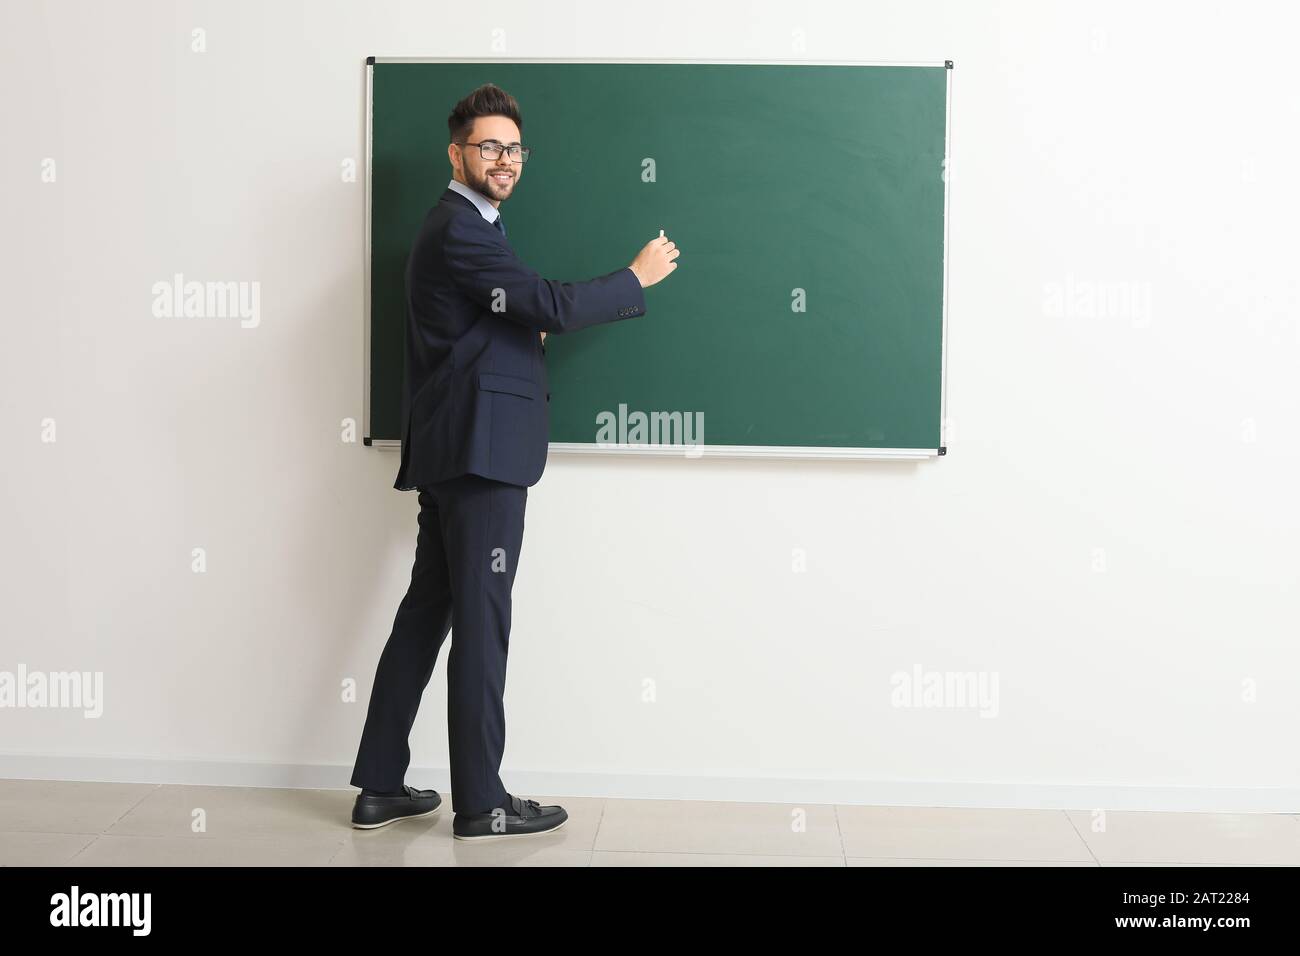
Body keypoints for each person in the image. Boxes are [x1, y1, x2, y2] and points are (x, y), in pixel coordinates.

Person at [349, 83, 680, 839]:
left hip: (460, 450)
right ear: (457, 153)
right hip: (480, 456)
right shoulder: (461, 227)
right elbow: (548, 305)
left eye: (513, 148)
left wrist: (516, 334)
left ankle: (379, 785)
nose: (504, 159)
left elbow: (495, 317)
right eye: (489, 146)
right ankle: (482, 804)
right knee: (481, 623)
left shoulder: (473, 229)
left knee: (425, 616)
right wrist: (635, 277)